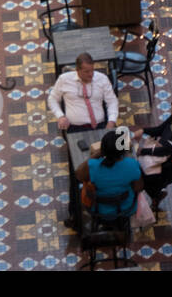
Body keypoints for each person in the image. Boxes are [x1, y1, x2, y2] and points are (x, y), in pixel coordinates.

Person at [48, 53, 119, 229]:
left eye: (92, 70)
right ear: (78, 70)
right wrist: (60, 116)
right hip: (76, 130)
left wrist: (111, 120)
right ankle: (75, 215)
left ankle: (106, 208)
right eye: (87, 72)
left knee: (108, 166)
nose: (91, 75)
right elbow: (52, 99)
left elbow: (112, 102)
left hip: (101, 127)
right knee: (77, 171)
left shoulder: (101, 79)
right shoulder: (64, 80)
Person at [75, 129, 143, 221]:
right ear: (123, 150)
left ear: (103, 149)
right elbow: (138, 188)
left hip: (98, 209)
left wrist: (98, 153)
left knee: (78, 188)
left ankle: (74, 219)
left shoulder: (93, 166)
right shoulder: (132, 164)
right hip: (125, 209)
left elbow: (78, 175)